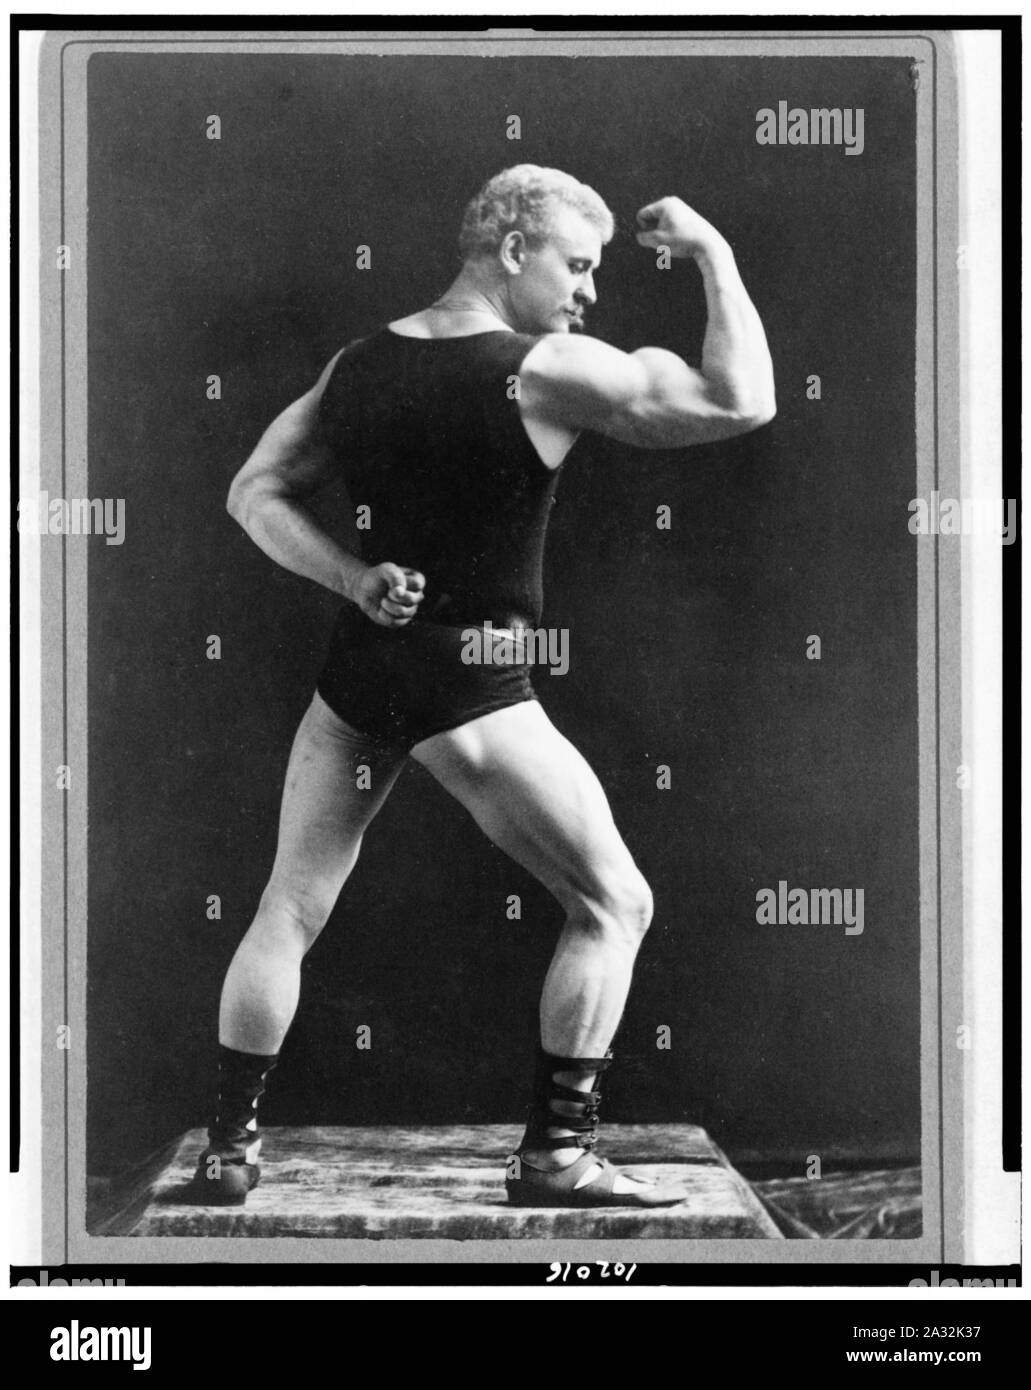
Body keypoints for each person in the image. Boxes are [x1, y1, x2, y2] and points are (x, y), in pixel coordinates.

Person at [192, 165, 775, 1209]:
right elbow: (741, 399)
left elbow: (252, 491)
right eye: (578, 264)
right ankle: (556, 1151)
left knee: (289, 902)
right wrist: (711, 254)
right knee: (613, 901)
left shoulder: (356, 363)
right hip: (474, 692)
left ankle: (229, 1149)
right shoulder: (542, 371)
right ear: (513, 249)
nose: (588, 290)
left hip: (359, 679)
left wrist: (354, 577)